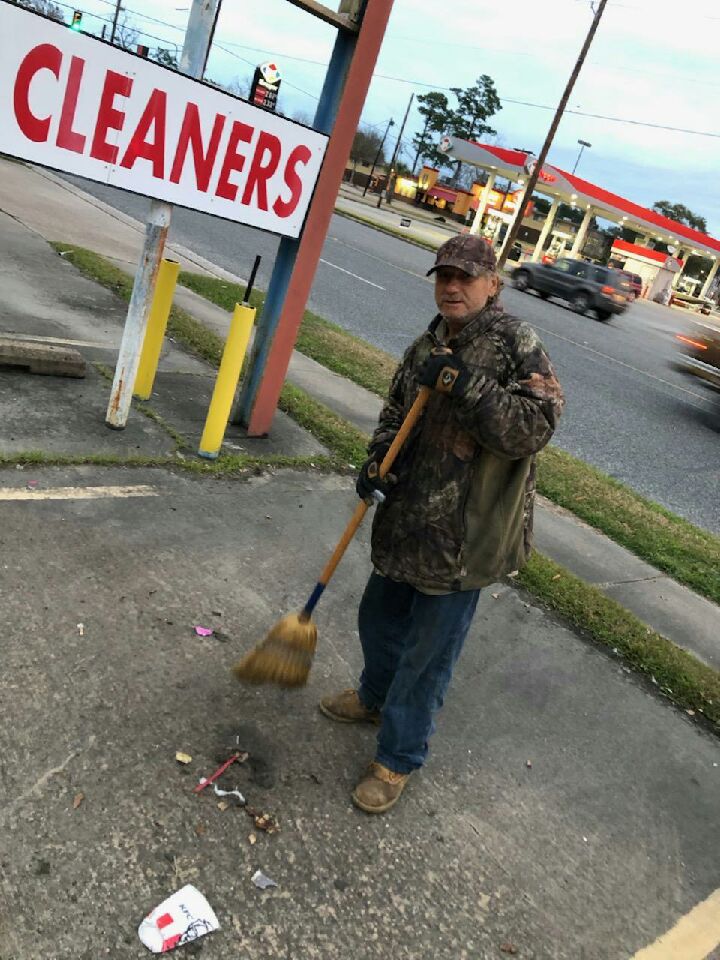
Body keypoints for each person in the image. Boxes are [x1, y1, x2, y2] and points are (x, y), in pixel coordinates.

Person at [319, 235, 565, 814]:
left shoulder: (516, 343)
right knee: (378, 619)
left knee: (427, 656)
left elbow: (534, 428)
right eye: (444, 276)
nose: (453, 287)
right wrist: (377, 461)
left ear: (492, 284)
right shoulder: (427, 343)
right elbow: (396, 412)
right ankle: (374, 699)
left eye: (466, 277)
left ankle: (398, 757)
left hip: (462, 537)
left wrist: (464, 383)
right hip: (406, 520)